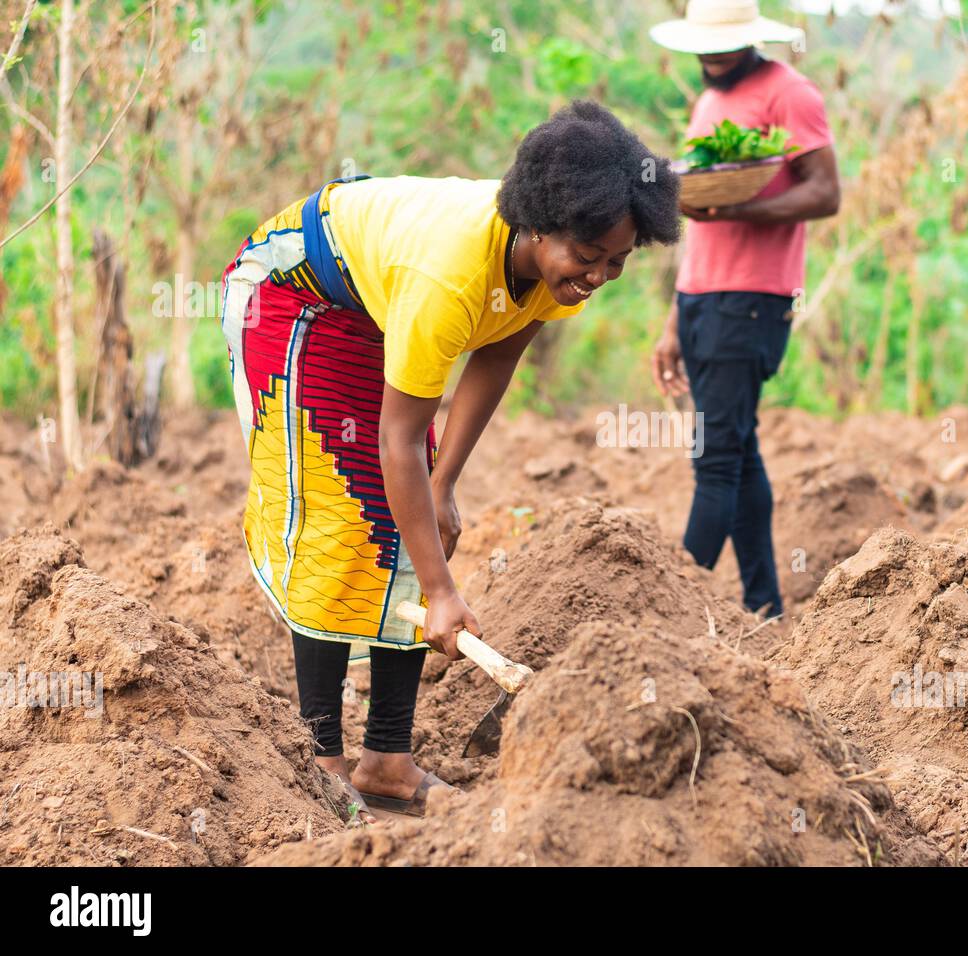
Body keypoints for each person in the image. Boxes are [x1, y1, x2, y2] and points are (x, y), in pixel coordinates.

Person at [219, 101, 680, 820]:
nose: (598, 277)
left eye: (616, 262)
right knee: (343, 519)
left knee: (407, 516)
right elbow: (396, 439)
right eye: (587, 258)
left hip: (375, 304)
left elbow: (499, 352)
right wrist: (438, 590)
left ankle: (387, 762)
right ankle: (322, 760)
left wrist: (445, 483)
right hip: (289, 296)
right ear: (537, 223)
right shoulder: (449, 276)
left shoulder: (557, 275)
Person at [649, 0, 841, 619]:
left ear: (753, 39)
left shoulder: (791, 93)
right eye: (702, 48)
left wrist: (740, 211)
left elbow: (825, 191)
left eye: (722, 47)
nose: (710, 59)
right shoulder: (707, 103)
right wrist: (674, 319)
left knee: (715, 460)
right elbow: (700, 226)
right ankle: (765, 608)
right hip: (701, 298)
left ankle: (664, 615)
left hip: (753, 300)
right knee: (739, 451)